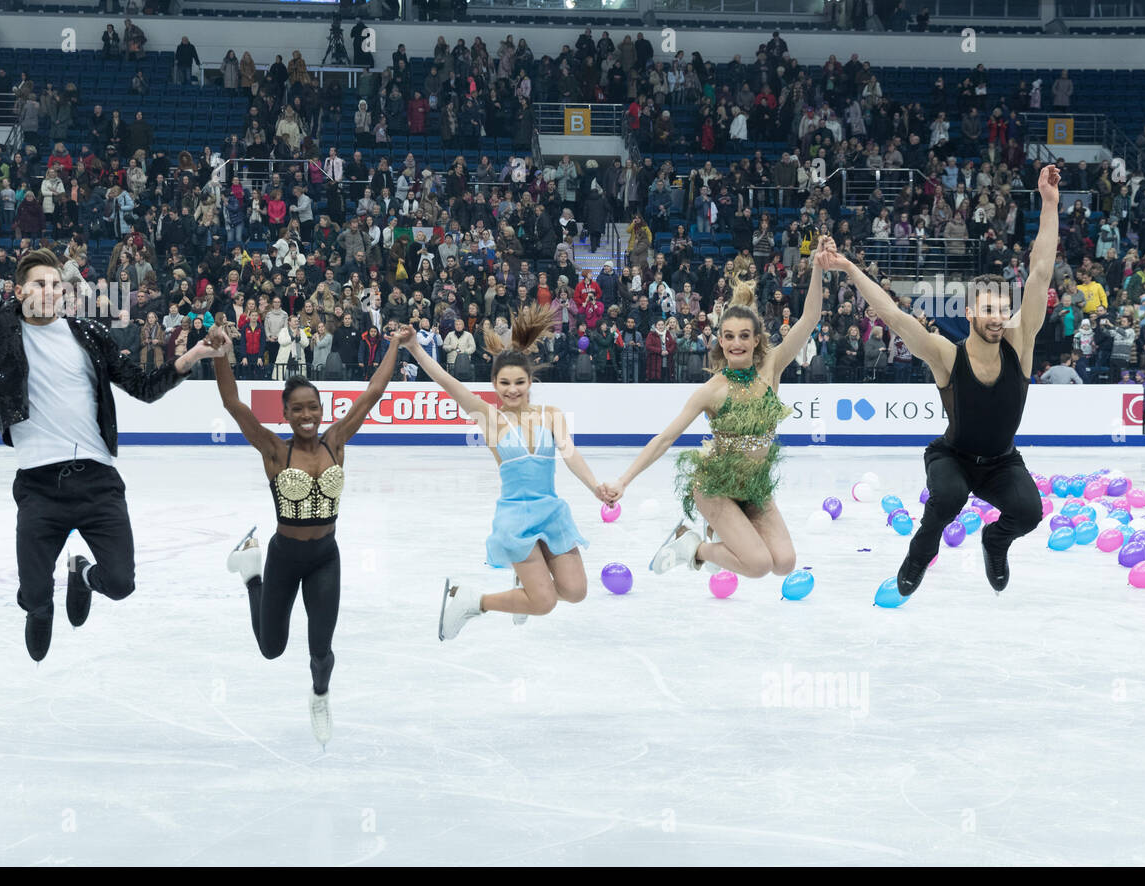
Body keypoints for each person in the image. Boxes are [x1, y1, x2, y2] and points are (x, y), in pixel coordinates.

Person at [0, 143, 217, 661]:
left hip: (97, 481)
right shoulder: (0, 328)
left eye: (56, 284)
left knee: (121, 583)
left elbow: (142, 386)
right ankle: (39, 604)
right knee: (34, 597)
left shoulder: (89, 336)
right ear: (19, 293)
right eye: (39, 285)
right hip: (39, 487)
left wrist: (188, 360)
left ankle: (83, 575)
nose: (51, 291)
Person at [822, 164, 1060, 596]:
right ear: (970, 313)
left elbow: (1041, 270)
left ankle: (995, 540)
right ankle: (918, 556)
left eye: (1002, 310)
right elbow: (893, 315)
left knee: (1028, 513)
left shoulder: (1020, 342)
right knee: (947, 499)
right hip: (952, 457)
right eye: (987, 310)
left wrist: (1049, 203)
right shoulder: (945, 354)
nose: (996, 318)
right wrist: (848, 268)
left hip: (1003, 462)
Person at [214, 321, 413, 745]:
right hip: (284, 557)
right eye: (298, 409)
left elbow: (374, 392)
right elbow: (233, 403)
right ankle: (253, 575)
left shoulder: (336, 441)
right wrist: (219, 353)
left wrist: (395, 344)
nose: (307, 415)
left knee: (320, 651)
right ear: (285, 413)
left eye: (313, 407)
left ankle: (320, 696)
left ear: (322, 410)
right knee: (271, 649)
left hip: (325, 557)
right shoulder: (273, 448)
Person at [598, 238, 829, 581]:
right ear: (720, 341)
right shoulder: (712, 390)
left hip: (755, 486)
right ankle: (693, 545)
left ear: (755, 340)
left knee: (784, 563)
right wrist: (623, 480)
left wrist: (819, 268)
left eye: (744, 336)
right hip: (716, 486)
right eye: (729, 336)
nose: (737, 343)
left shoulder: (772, 368)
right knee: (758, 564)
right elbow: (666, 438)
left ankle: (714, 536)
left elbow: (810, 318)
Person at [404, 305, 603, 641]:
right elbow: (445, 380)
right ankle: (470, 600)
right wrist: (414, 348)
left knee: (575, 591)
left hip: (551, 512)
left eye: (519, 382)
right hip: (516, 518)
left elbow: (570, 456)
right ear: (494, 384)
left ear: (530, 381)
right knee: (542, 603)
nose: (512, 390)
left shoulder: (550, 415)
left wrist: (596, 486)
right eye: (504, 383)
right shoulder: (490, 419)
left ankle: (524, 583)